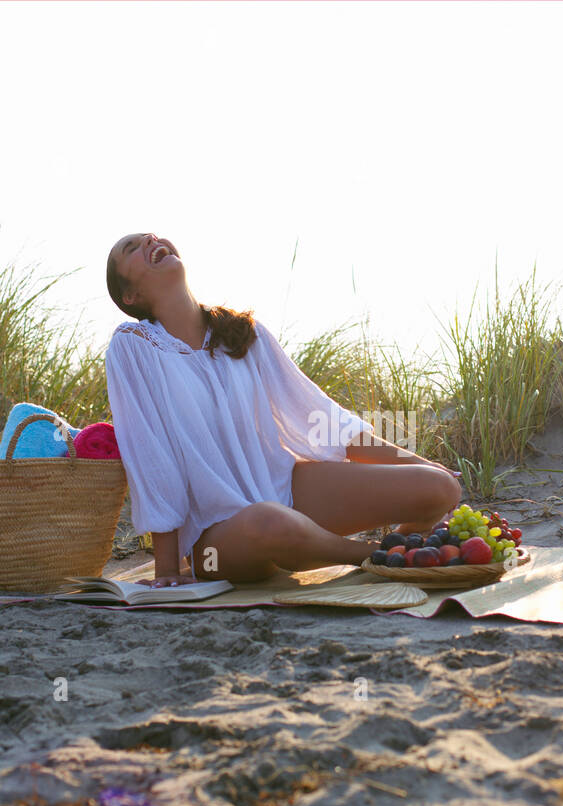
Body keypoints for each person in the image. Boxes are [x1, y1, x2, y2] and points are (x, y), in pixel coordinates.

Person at [104, 232, 462, 586]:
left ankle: (375, 547)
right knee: (269, 522)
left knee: (439, 488)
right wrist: (167, 569)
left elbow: (320, 418)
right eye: (132, 247)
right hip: (215, 544)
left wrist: (421, 464)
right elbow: (152, 457)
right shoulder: (133, 347)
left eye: (151, 236)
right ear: (131, 295)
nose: (150, 240)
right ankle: (377, 556)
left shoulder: (243, 333)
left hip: (286, 490)